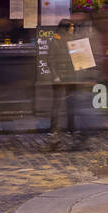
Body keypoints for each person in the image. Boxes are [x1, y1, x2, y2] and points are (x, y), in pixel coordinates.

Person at [47, 18, 79, 147]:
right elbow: (50, 60)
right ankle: (53, 130)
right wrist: (55, 76)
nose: (73, 28)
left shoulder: (73, 41)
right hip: (60, 76)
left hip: (72, 75)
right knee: (57, 105)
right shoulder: (56, 41)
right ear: (65, 28)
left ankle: (71, 129)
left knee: (71, 103)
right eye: (71, 26)